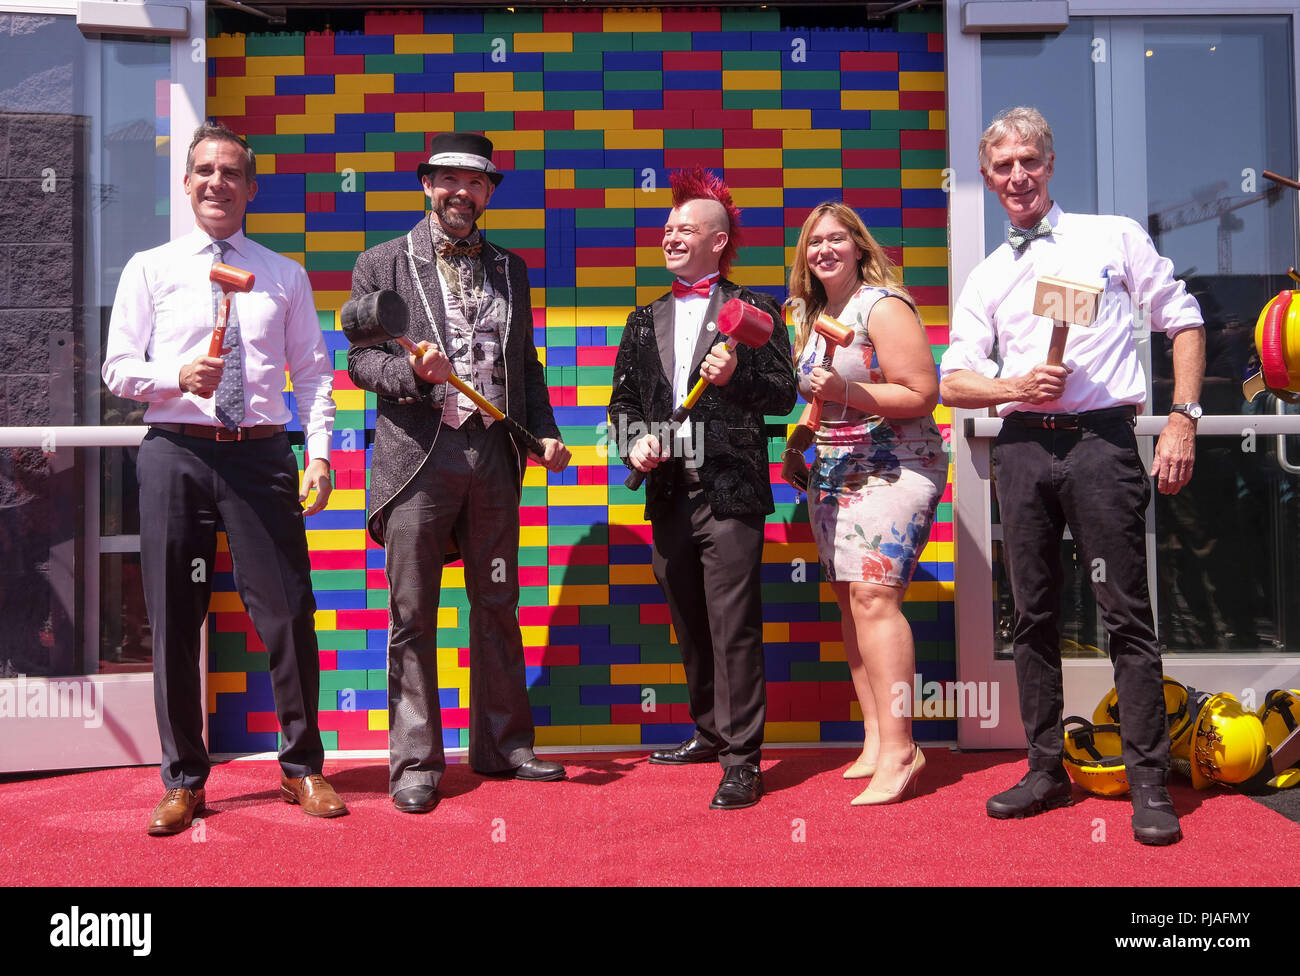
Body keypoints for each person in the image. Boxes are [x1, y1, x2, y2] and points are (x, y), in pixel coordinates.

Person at [940, 107, 1206, 845]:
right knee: (1031, 615)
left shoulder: (1110, 236)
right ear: (989, 180)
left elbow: (1181, 319)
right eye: (1003, 167)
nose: (1018, 175)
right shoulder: (989, 275)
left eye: (1030, 160)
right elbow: (952, 380)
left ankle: (1149, 784)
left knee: (1126, 613)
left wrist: (1184, 415)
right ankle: (1045, 768)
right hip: (1024, 446)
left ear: (1050, 164)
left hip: (1101, 441)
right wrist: (1015, 387)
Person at [103, 121, 344, 835]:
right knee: (175, 619)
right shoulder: (150, 267)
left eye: (231, 172)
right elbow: (117, 369)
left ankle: (302, 767)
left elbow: (315, 375)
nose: (217, 182)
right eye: (204, 170)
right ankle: (184, 781)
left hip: (262, 455)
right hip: (175, 451)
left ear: (250, 188)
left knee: (289, 614)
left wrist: (322, 453)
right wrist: (171, 375)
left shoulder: (283, 273)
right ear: (186, 183)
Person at [347, 132, 571, 815]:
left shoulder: (511, 268)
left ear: (489, 195)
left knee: (498, 604)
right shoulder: (381, 263)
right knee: (413, 615)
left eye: (474, 183)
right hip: (418, 461)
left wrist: (547, 436)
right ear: (426, 186)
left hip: (493, 456)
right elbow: (359, 360)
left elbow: (523, 364)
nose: (460, 194)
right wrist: (411, 375)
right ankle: (416, 762)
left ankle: (503, 745)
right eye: (447, 180)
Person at [608, 167, 797, 810]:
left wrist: (736, 375)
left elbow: (783, 393)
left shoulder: (758, 310)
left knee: (733, 624)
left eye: (685, 228)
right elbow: (623, 404)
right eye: (667, 228)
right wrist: (633, 440)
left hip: (731, 491)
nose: (671, 236)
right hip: (667, 493)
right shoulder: (642, 321)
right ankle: (710, 731)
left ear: (719, 241)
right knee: (690, 622)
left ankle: (744, 760)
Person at [787, 202, 947, 805]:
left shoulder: (885, 304)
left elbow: (922, 392)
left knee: (876, 598)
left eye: (835, 238)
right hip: (831, 467)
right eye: (813, 242)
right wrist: (800, 440)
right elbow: (819, 396)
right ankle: (877, 739)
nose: (824, 249)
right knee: (852, 602)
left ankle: (904, 749)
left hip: (897, 465)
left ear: (858, 245)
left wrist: (847, 390)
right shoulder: (808, 312)